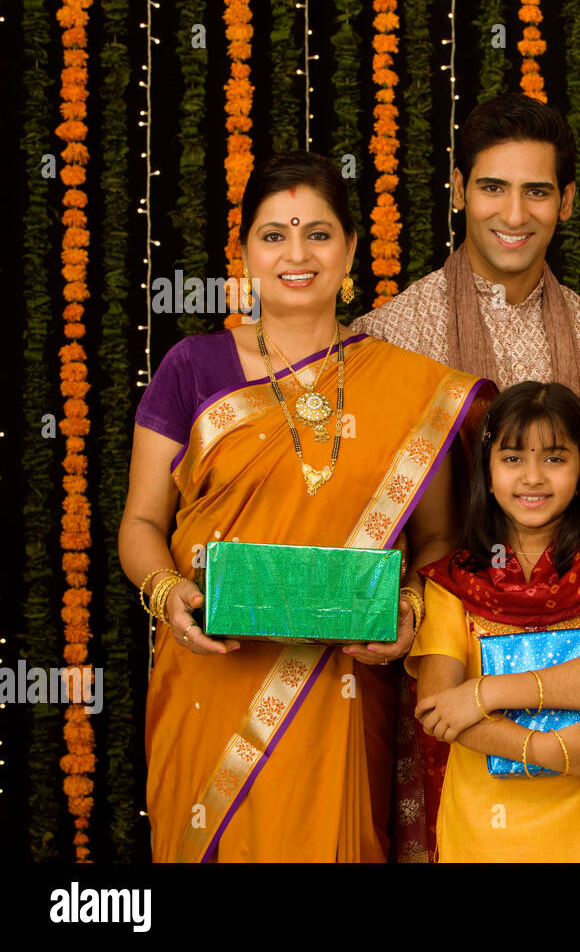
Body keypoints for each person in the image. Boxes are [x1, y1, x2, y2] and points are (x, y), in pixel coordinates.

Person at [120, 152, 489, 862]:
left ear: (351, 248)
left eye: (318, 234)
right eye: (274, 235)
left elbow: (439, 535)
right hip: (209, 670)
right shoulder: (192, 368)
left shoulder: (409, 387)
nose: (297, 254)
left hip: (347, 684)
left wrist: (410, 611)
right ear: (245, 252)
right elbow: (140, 522)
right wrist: (169, 594)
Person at [409, 382, 580, 861]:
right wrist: (543, 751)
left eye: (556, 458)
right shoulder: (453, 581)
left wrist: (487, 692)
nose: (534, 477)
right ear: (486, 470)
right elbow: (438, 711)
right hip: (486, 833)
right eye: (513, 458)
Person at [352, 93, 580, 392]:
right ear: (459, 190)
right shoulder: (388, 339)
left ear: (566, 201)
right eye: (494, 188)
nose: (514, 216)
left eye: (536, 192)